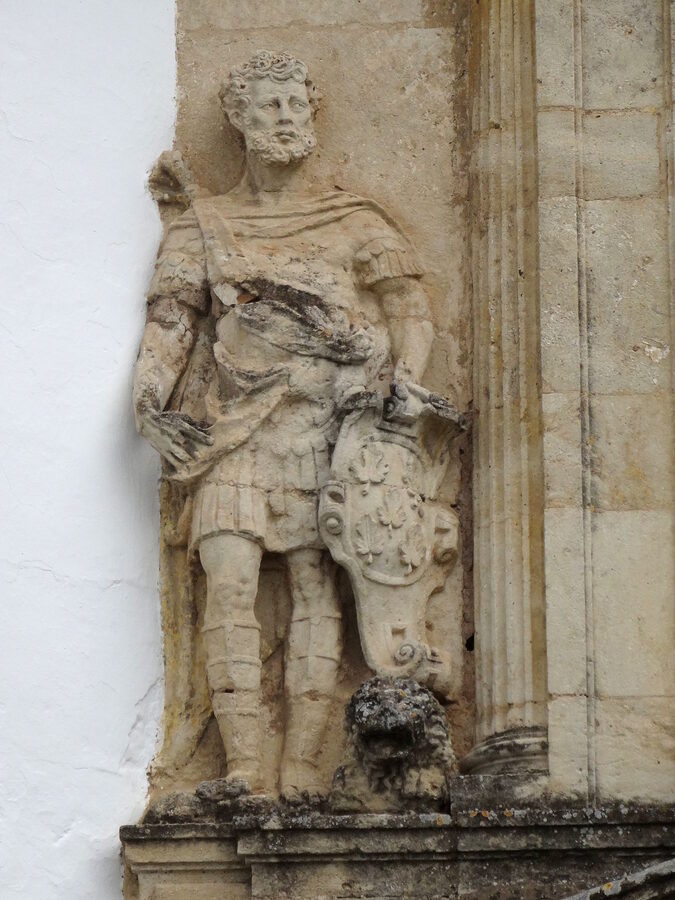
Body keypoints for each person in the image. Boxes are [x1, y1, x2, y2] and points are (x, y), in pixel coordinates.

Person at [133, 50, 434, 801]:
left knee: (313, 588)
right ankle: (241, 768)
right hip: (233, 428)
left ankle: (300, 772)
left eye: (295, 106)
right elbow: (172, 322)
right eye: (268, 107)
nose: (284, 120)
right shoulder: (205, 225)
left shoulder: (353, 221)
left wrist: (403, 376)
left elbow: (408, 310)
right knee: (227, 583)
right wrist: (148, 406)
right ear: (237, 119)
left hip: (326, 429)